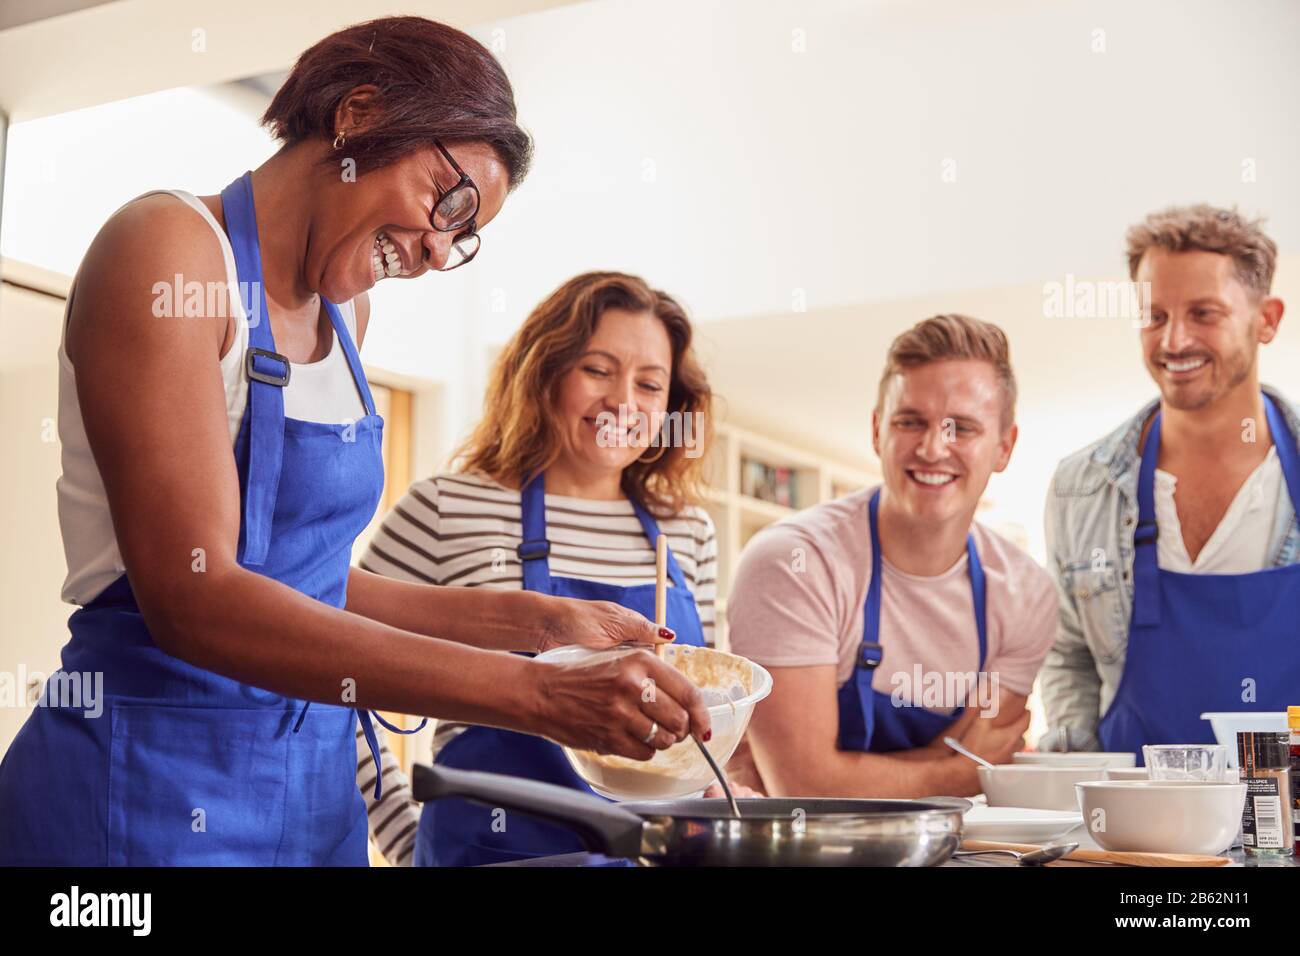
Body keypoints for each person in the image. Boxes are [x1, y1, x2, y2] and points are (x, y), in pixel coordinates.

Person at [0, 18, 708, 866]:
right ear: (361, 115)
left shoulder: (347, 318)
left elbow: (309, 581)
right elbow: (198, 597)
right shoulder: (173, 254)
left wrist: (538, 621)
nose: (438, 248)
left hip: (309, 797)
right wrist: (537, 690)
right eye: (448, 204)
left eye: (463, 235)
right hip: (143, 787)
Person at [356, 271, 721, 866]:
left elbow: (702, 716)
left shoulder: (689, 535)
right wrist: (402, 834)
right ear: (545, 372)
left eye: (650, 384)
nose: (624, 402)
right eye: (598, 370)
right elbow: (331, 688)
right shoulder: (445, 509)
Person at [726, 314, 1055, 797]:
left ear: (1004, 447)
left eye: (961, 428)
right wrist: (952, 774)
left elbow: (987, 752)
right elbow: (803, 789)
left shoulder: (1025, 593)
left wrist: (839, 774)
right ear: (878, 430)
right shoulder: (795, 562)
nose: (932, 447)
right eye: (910, 421)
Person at [1040, 205, 1297, 756]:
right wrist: (1069, 774)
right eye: (1154, 316)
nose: (1173, 341)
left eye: (1203, 313)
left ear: (1267, 319)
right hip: (1129, 832)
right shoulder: (1081, 487)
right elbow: (1069, 654)